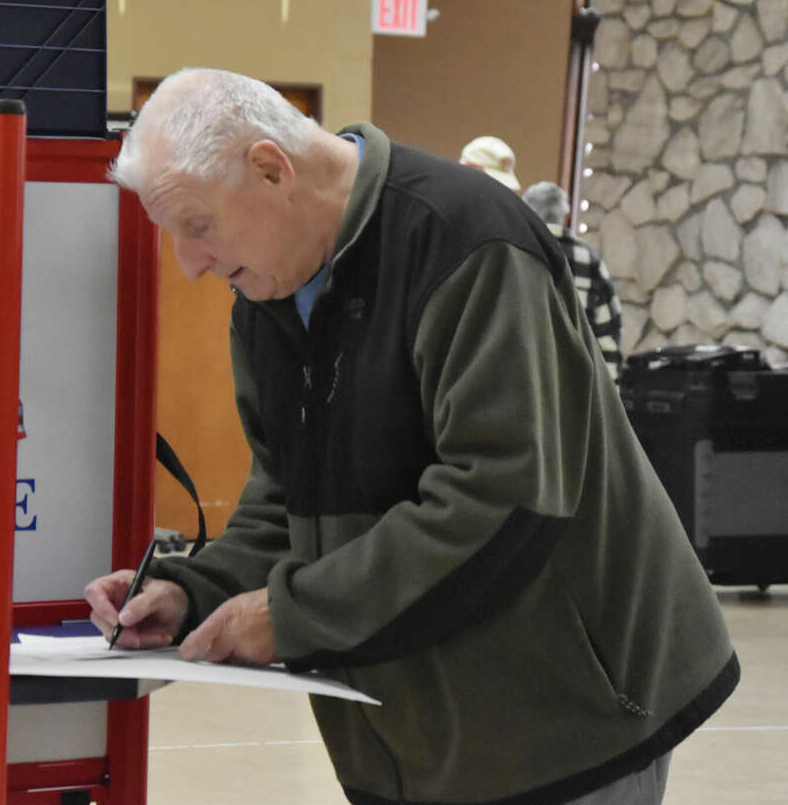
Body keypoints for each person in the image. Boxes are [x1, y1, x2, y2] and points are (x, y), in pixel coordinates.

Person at [84, 68, 737, 805]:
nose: (189, 264)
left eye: (198, 227)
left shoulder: (466, 245)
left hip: (568, 726)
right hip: (414, 747)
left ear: (271, 168)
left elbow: (504, 499)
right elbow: (285, 502)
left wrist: (291, 615)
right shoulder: (264, 297)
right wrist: (194, 591)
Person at [522, 180, 625, 381]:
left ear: (527, 210)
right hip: (575, 385)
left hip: (523, 384)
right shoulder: (589, 259)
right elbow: (609, 333)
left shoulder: (516, 251)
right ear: (565, 212)